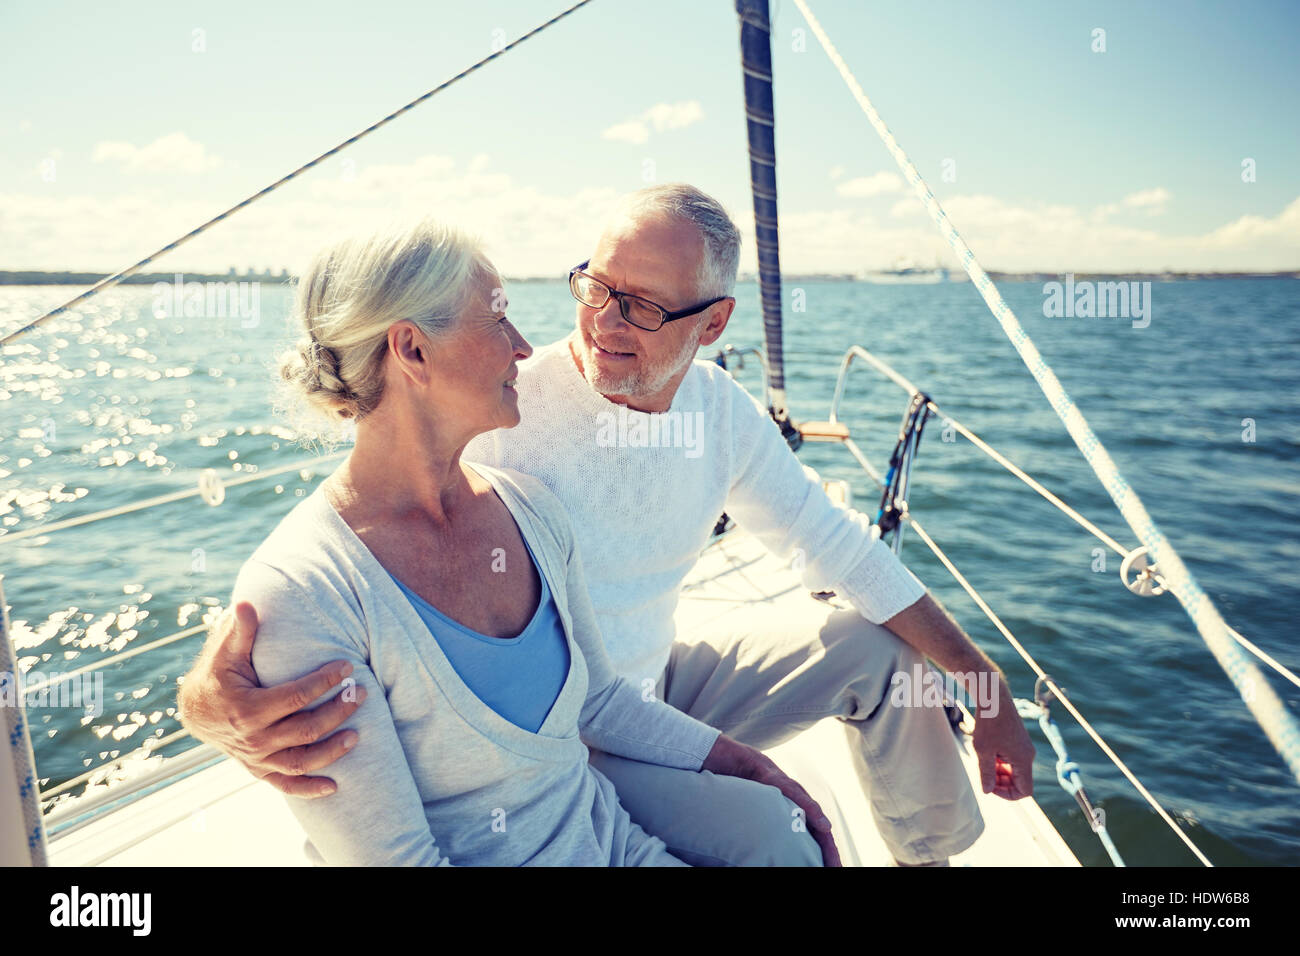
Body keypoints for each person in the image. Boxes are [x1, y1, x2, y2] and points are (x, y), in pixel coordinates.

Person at [182, 184, 1035, 867]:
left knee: (880, 655)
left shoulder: (717, 416)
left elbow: (839, 547)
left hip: (640, 691)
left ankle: (929, 857)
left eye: (643, 307)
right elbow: (357, 540)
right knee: (776, 836)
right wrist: (206, 689)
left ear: (712, 324)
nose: (598, 324)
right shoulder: (503, 405)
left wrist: (982, 682)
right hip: (564, 740)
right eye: (597, 288)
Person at [219, 215, 837, 866]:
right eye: (497, 318)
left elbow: (598, 701)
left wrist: (756, 769)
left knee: (789, 841)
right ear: (412, 350)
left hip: (614, 846)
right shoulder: (305, 595)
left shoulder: (529, 509)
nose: (521, 345)